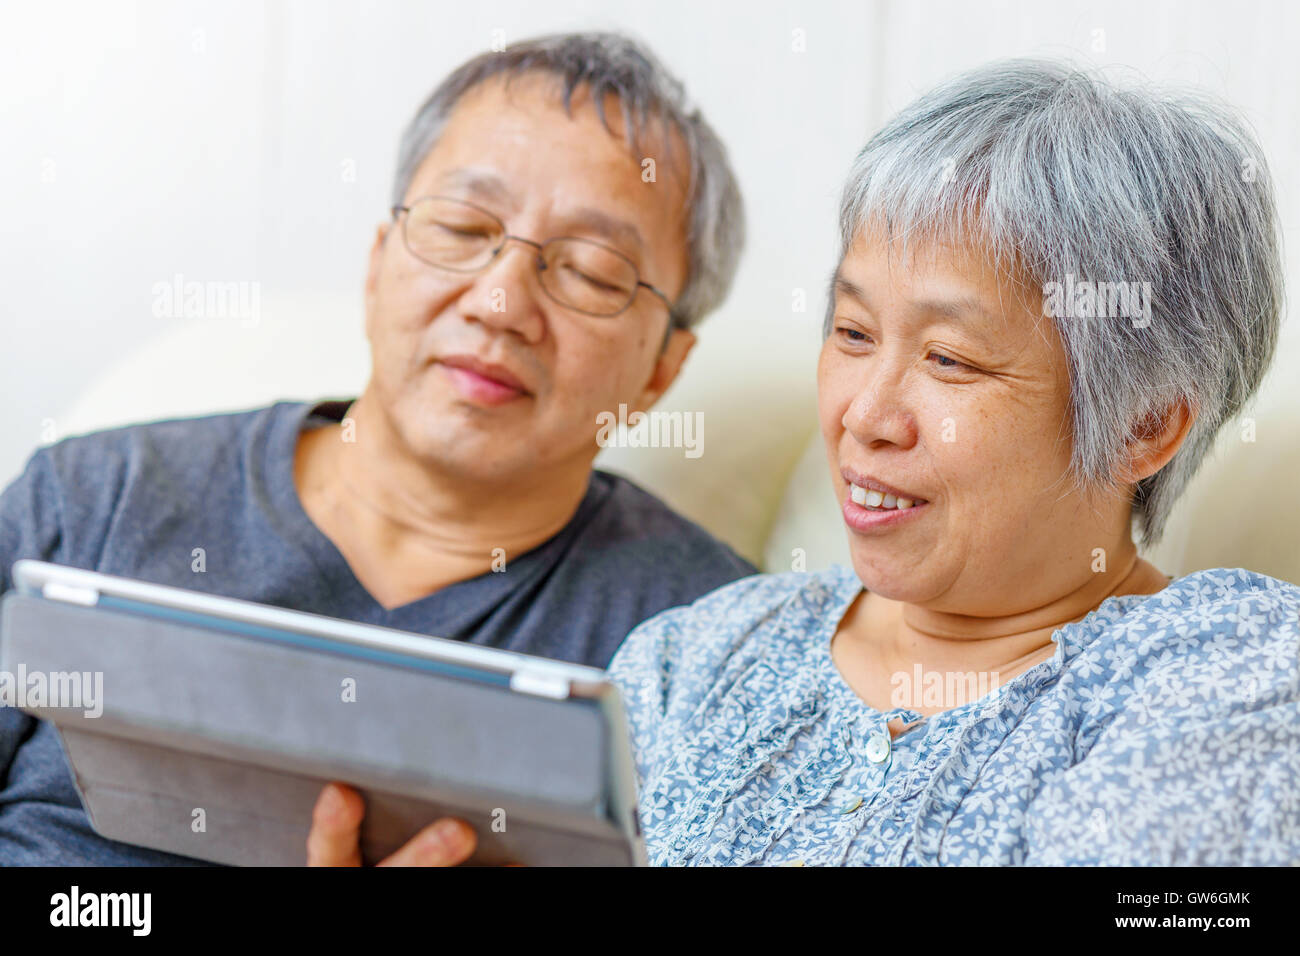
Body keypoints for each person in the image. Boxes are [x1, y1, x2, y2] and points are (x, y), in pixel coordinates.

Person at [351, 59, 1299, 866]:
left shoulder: (1228, 672)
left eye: (950, 359)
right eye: (851, 332)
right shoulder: (696, 659)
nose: (865, 416)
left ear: (1144, 426)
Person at [0, 32, 755, 865]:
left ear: (661, 371)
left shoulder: (719, 645)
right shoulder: (92, 499)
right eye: (465, 226)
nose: (501, 301)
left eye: (588, 270)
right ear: (376, 264)